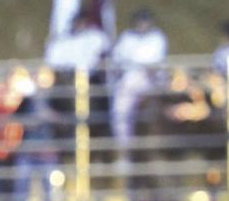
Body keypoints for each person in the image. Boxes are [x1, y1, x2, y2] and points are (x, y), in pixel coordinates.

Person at [109, 8, 167, 150]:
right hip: (129, 78)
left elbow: (157, 64)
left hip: (149, 79)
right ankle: (124, 148)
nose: (142, 24)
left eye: (145, 21)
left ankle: (155, 147)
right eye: (140, 21)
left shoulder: (157, 38)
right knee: (119, 111)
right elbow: (117, 60)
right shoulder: (126, 37)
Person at [46, 13, 110, 75]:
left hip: (91, 75)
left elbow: (106, 52)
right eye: (79, 22)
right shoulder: (63, 41)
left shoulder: (95, 36)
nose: (81, 24)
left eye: (83, 22)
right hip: (64, 74)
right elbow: (52, 61)